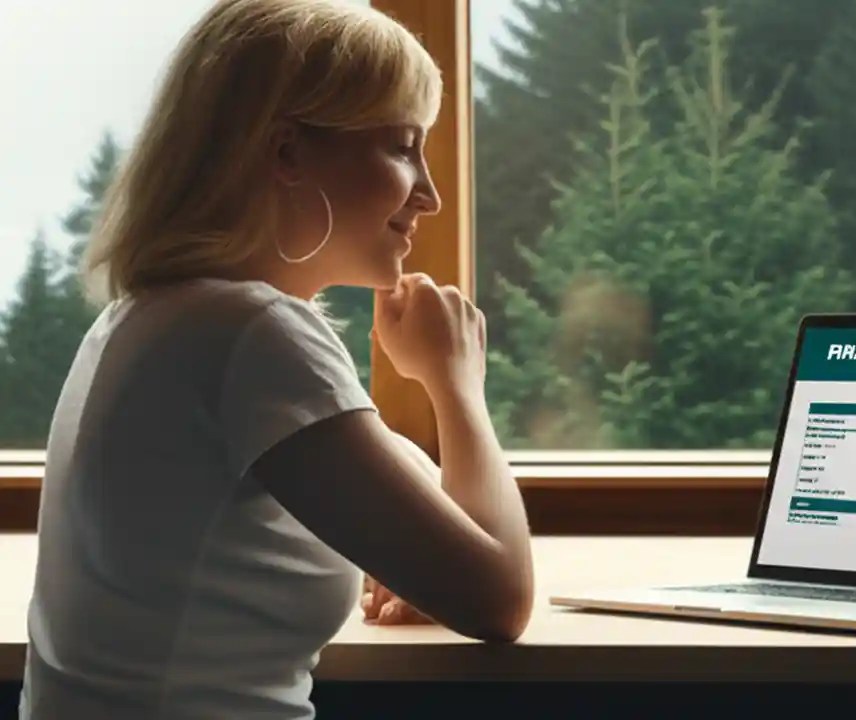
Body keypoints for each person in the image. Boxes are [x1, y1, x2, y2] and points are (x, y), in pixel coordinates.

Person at [17, 0, 535, 717]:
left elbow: (433, 516)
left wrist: (410, 549)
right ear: (287, 153)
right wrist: (457, 386)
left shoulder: (159, 315)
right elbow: (498, 600)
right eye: (402, 146)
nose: (431, 195)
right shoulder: (253, 334)